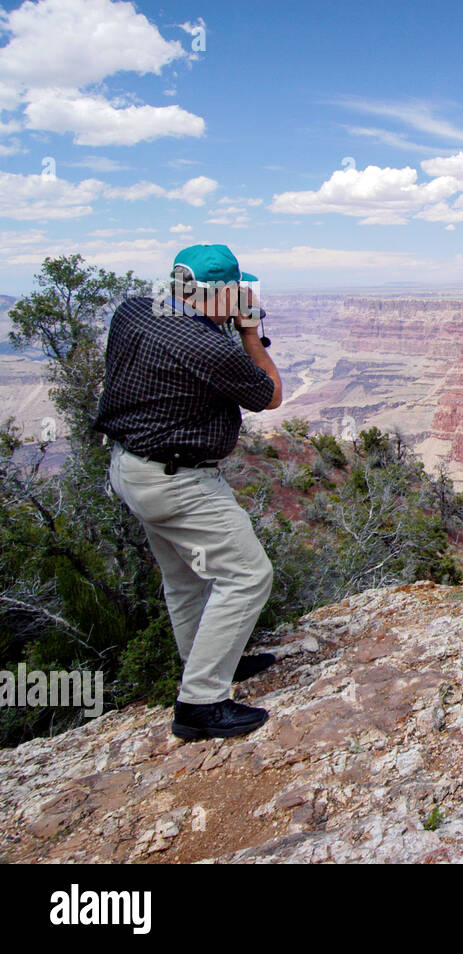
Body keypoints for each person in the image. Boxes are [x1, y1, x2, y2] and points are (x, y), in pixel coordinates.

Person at [92, 244, 284, 740]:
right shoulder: (209, 345)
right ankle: (200, 704)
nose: (245, 297)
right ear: (220, 294)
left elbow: (179, 330)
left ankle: (210, 662)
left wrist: (216, 315)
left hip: (132, 469)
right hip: (178, 482)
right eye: (238, 291)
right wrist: (247, 331)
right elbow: (269, 393)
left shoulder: (135, 309)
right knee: (247, 576)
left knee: (184, 581)